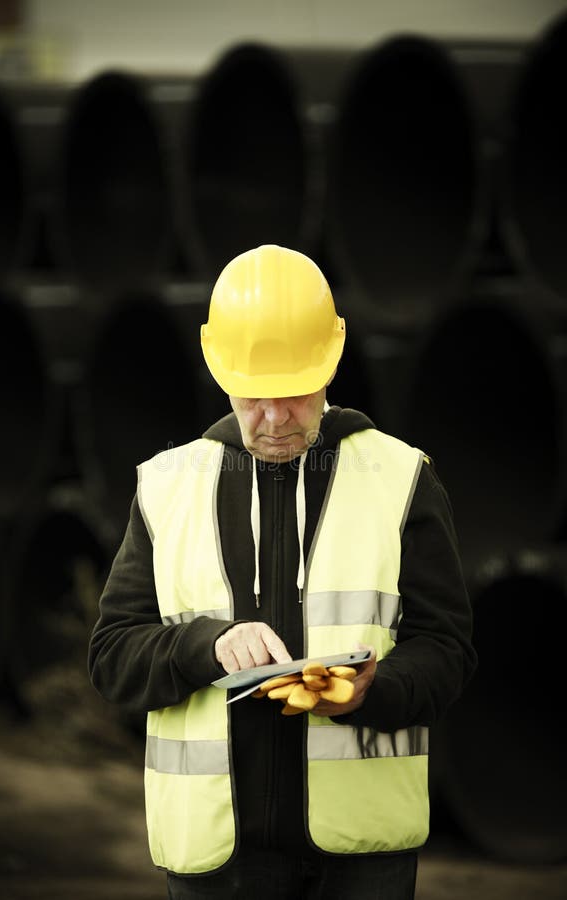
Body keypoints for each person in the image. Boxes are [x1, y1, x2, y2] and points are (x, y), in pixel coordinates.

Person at [88, 244, 477, 899]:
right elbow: (111, 658)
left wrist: (370, 692)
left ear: (329, 364)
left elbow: (449, 651)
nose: (272, 420)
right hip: (218, 860)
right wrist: (203, 644)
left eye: (293, 395)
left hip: (362, 860)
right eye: (252, 397)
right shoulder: (166, 487)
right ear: (221, 374)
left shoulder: (401, 478)